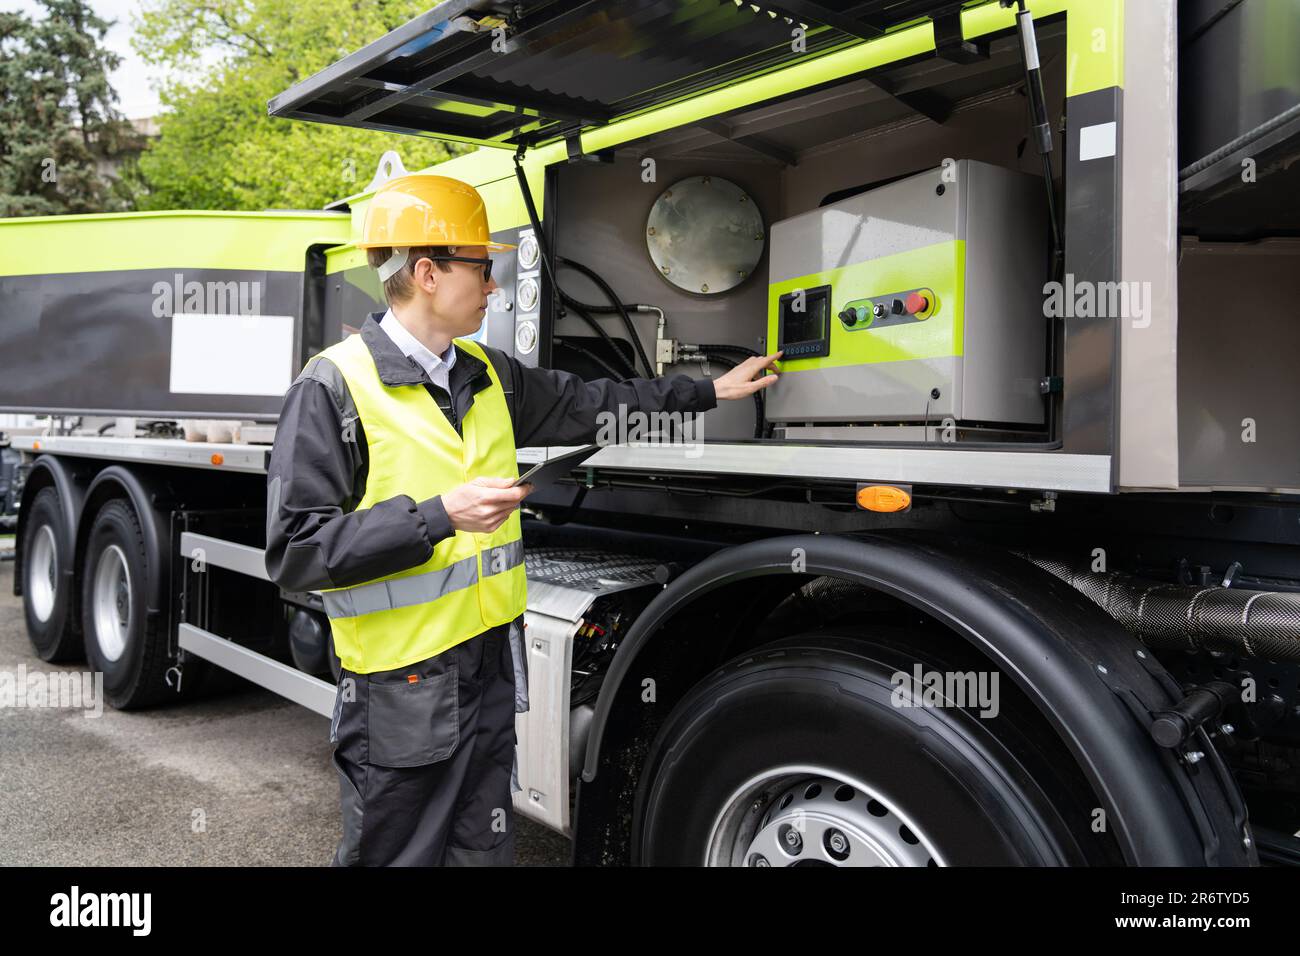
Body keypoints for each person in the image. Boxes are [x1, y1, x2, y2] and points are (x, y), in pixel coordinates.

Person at [264, 172, 781, 866]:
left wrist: (707, 389)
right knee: (399, 855)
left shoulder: (487, 373)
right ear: (425, 272)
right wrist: (439, 516)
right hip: (400, 685)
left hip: (485, 669)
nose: (493, 286)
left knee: (483, 849)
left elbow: (594, 400)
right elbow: (297, 552)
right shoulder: (333, 388)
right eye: (481, 268)